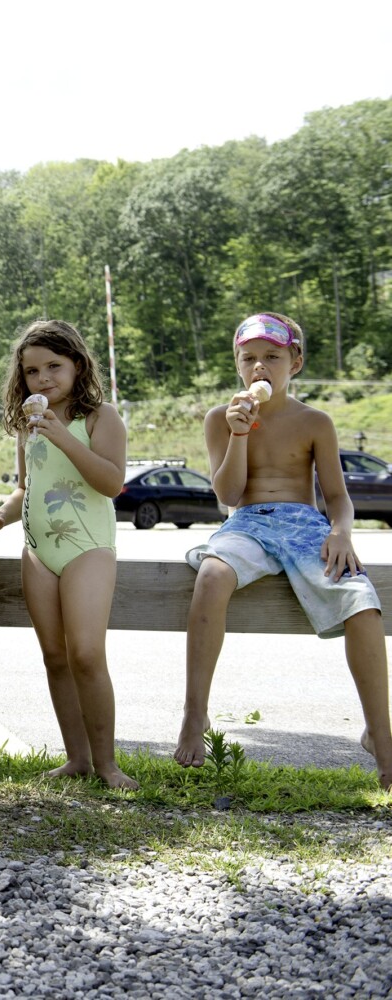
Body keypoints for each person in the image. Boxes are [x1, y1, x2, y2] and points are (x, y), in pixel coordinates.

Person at [173, 313, 391, 790]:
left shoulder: (315, 421)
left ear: (295, 362)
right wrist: (238, 433)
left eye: (272, 357)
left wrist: (341, 532)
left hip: (305, 525)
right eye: (249, 359)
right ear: (237, 365)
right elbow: (228, 496)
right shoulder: (220, 418)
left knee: (363, 604)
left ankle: (381, 735)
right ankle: (195, 713)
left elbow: (337, 497)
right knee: (211, 575)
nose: (260, 369)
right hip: (247, 521)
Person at [0, 319, 137, 789]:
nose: (43, 378)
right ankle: (78, 759)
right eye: (31, 371)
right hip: (38, 549)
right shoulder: (28, 427)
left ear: (78, 365)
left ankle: (107, 764)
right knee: (55, 655)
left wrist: (61, 435)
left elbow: (111, 483)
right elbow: (26, 488)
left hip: (87, 547)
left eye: (54, 366)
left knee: (86, 653)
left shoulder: (100, 417)